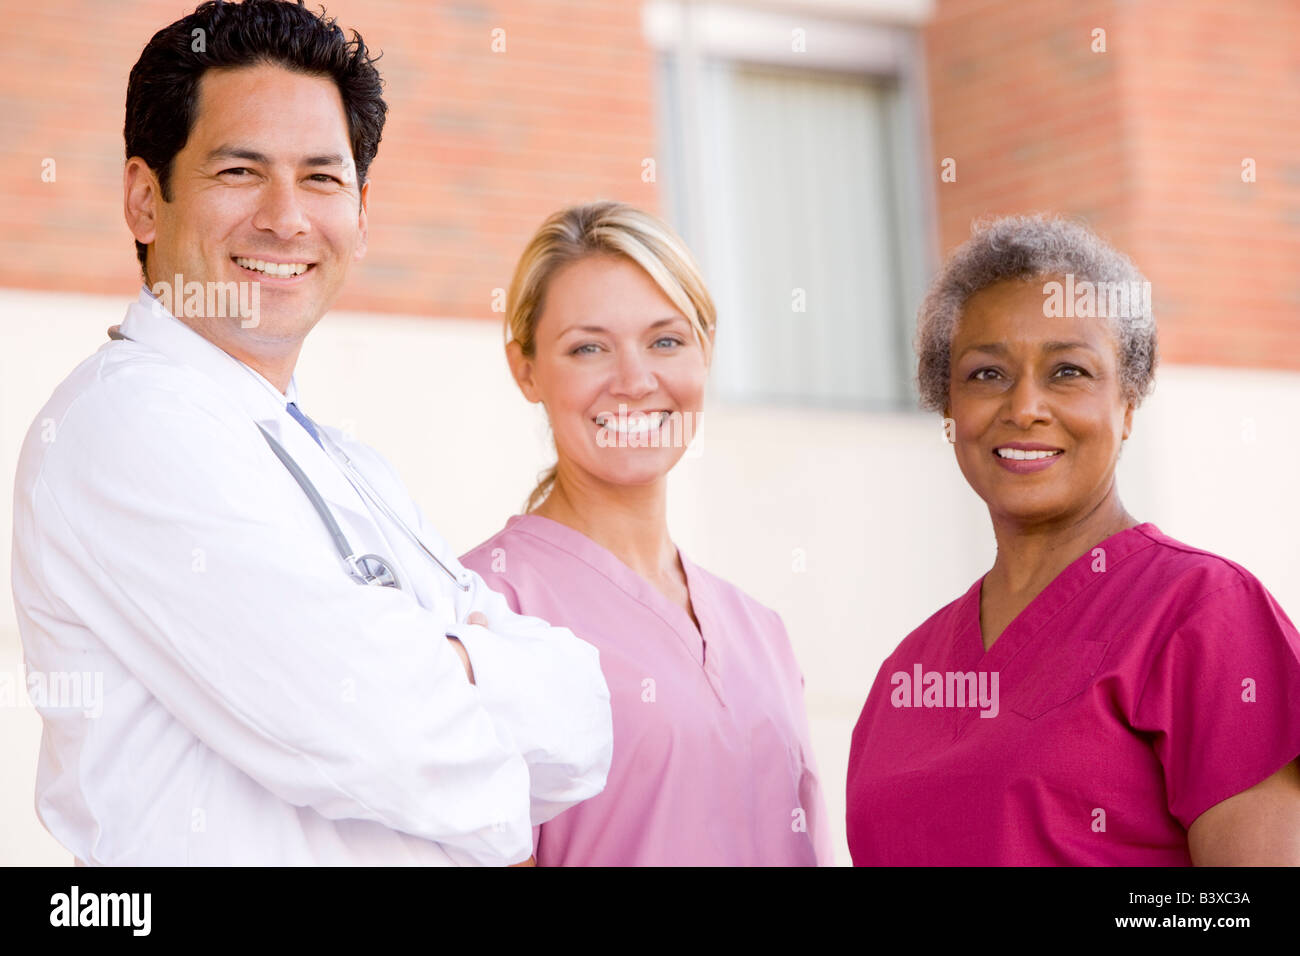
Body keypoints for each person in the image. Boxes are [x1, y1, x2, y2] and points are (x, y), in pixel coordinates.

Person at [10, 0, 611, 866]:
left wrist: (445, 686)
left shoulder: (347, 461)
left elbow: (584, 714)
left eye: (322, 178)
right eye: (240, 172)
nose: (287, 219)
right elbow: (374, 728)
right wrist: (485, 740)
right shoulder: (125, 426)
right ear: (146, 200)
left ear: (362, 213)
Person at [846, 215, 1300, 865]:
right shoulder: (905, 674)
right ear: (948, 411)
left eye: (1068, 371)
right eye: (985, 374)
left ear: (1127, 408)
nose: (1025, 405)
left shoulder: (1205, 613)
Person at [459, 201, 833, 865]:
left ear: (704, 355)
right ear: (525, 369)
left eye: (666, 341)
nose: (635, 382)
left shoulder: (760, 631)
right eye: (588, 348)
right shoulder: (480, 609)